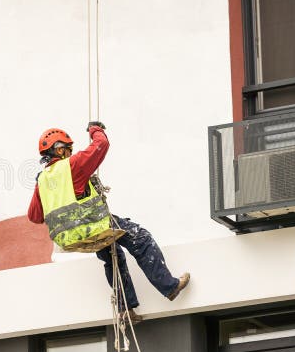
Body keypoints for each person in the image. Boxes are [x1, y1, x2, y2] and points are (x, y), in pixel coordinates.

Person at [28, 122, 189, 321]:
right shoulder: (72, 166)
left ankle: (126, 309)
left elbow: (34, 216)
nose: (71, 153)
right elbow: (101, 144)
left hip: (72, 238)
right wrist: (95, 128)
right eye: (68, 149)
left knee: (113, 257)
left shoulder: (42, 181)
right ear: (59, 150)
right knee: (140, 238)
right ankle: (170, 286)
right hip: (94, 225)